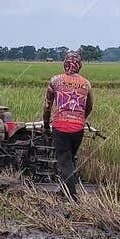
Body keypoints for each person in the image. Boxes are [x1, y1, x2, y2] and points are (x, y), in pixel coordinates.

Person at [43, 48, 93, 197]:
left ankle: (71, 196)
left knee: (64, 161)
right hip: (78, 128)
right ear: (79, 65)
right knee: (70, 159)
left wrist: (46, 124)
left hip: (60, 126)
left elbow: (47, 106)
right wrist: (81, 118)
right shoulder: (86, 84)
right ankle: (65, 189)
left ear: (65, 64)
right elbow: (89, 106)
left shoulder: (55, 80)